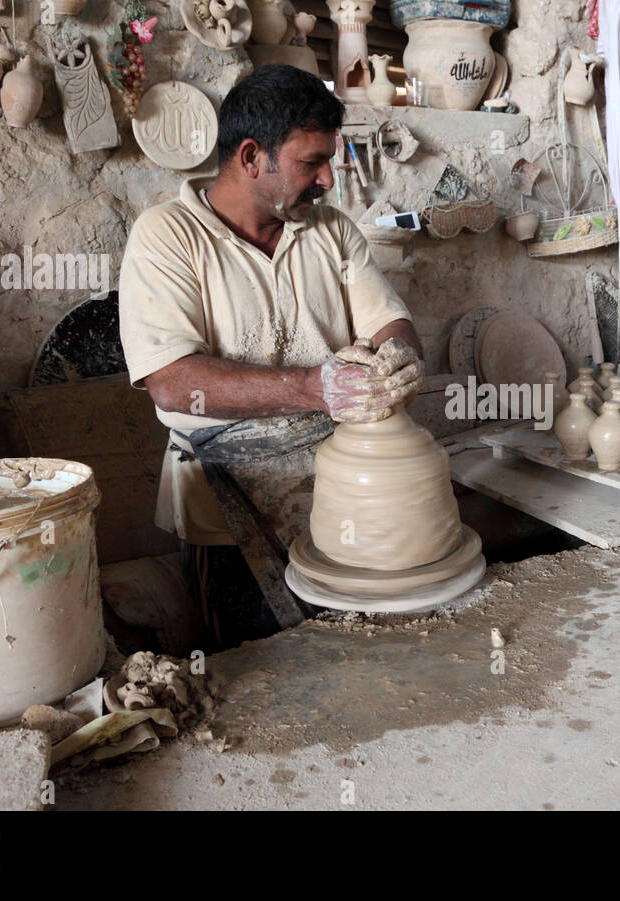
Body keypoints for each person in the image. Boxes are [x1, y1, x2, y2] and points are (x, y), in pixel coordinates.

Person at [118, 65, 423, 648]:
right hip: (224, 487)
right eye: (312, 162)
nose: (329, 180)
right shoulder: (167, 235)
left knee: (374, 648)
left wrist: (400, 357)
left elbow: (388, 322)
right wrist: (315, 387)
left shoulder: (330, 230)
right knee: (270, 669)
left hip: (340, 469)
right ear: (253, 157)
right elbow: (172, 382)